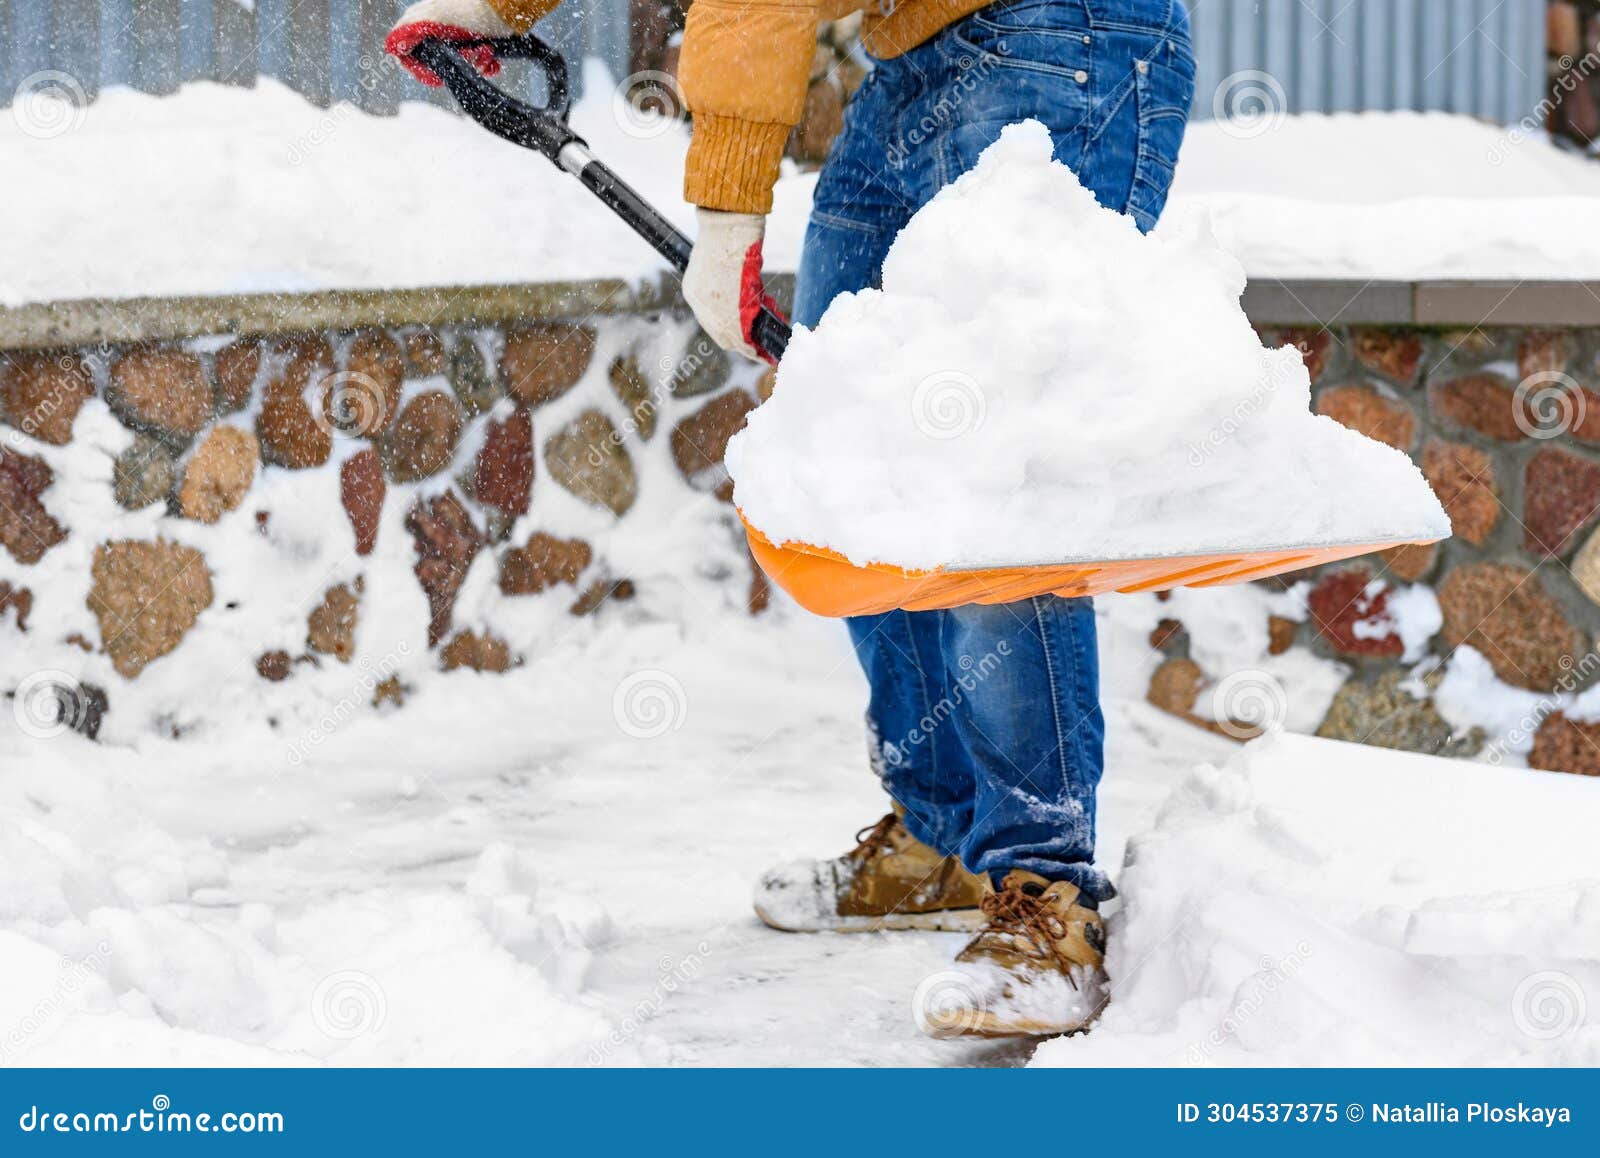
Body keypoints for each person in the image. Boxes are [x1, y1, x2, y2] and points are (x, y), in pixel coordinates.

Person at [389, 0, 1195, 1038]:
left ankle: (1049, 896)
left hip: (1064, 43)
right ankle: (945, 831)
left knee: (993, 459)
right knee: (852, 435)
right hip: (919, 51)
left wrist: (726, 209)